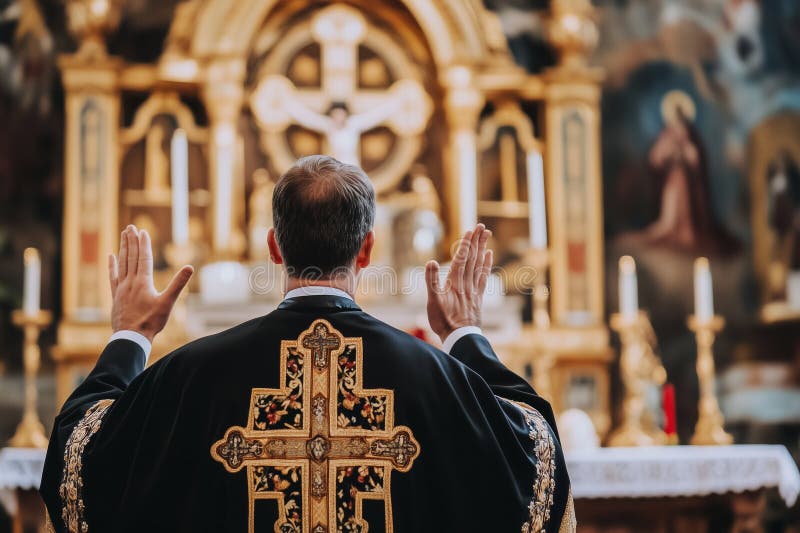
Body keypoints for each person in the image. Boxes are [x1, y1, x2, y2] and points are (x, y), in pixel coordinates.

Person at [40, 155, 574, 532]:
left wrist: (131, 335)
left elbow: (81, 461)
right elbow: (534, 456)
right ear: (367, 249)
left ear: (274, 247)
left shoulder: (191, 374)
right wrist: (465, 335)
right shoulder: (436, 379)